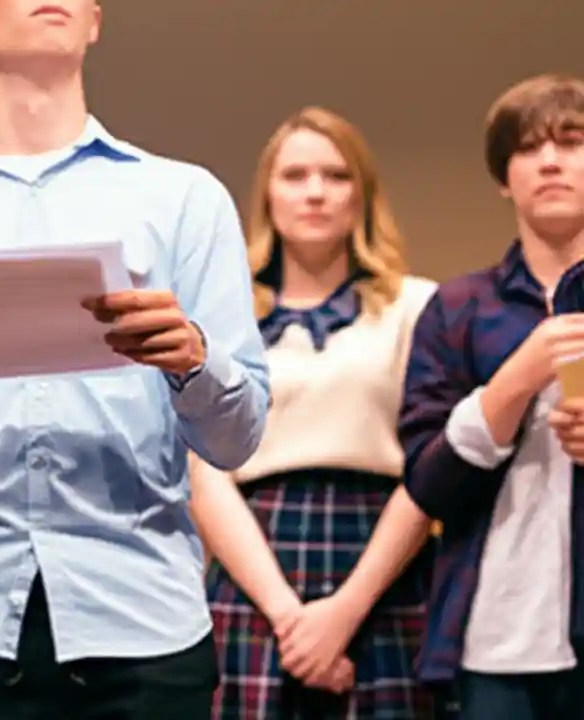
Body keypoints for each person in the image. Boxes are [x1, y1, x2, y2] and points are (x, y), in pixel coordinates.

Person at [0, 2, 270, 717]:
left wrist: (192, 360)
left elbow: (235, 440)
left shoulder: (184, 200)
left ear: (96, 21)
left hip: (144, 628)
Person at [295, 73, 584, 719]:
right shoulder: (458, 309)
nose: (551, 160)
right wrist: (514, 381)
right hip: (497, 636)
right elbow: (428, 482)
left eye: (573, 141)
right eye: (528, 147)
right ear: (504, 177)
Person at [189, 106, 438, 719]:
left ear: (364, 195)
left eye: (337, 175)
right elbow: (205, 475)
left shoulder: (416, 307)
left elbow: (431, 469)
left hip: (381, 566)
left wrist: (344, 611)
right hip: (256, 570)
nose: (316, 192)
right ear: (267, 195)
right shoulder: (221, 315)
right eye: (296, 175)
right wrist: (288, 616)